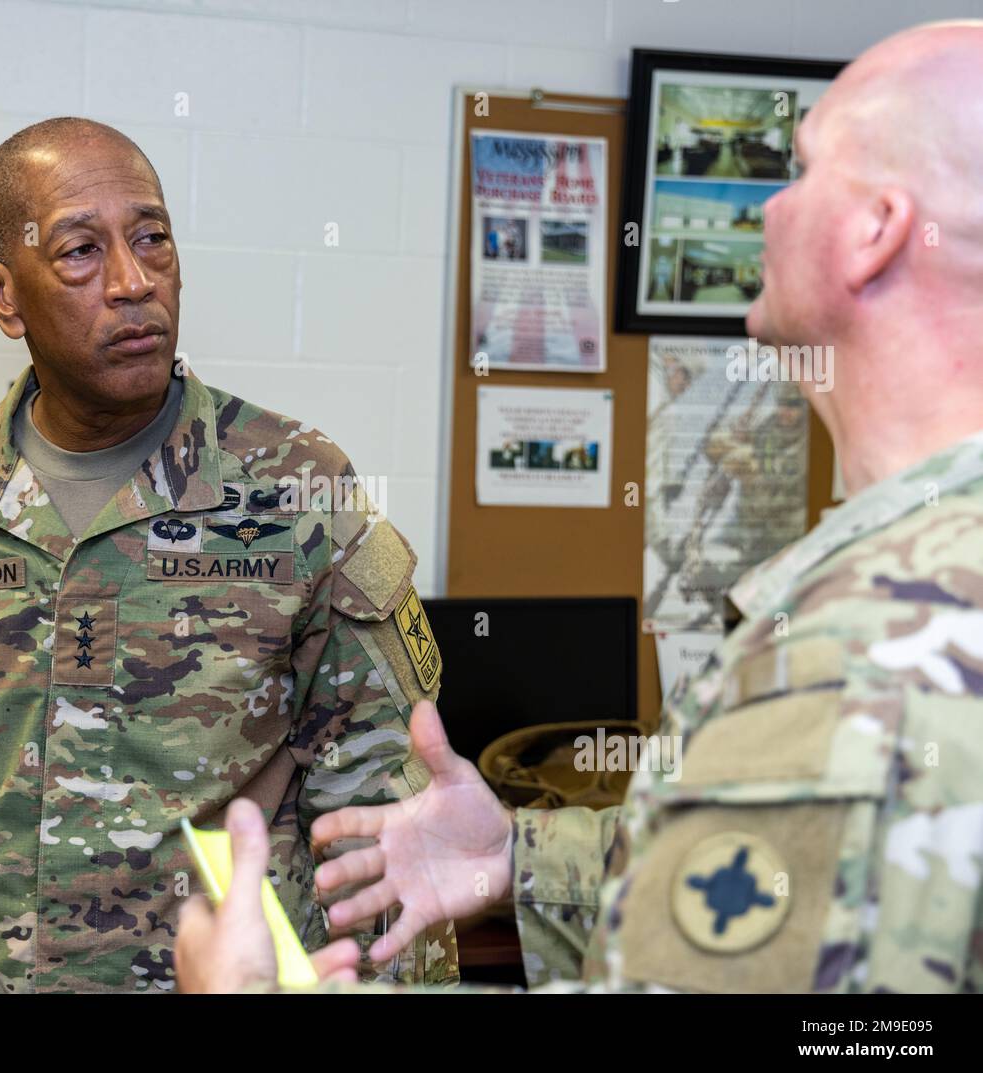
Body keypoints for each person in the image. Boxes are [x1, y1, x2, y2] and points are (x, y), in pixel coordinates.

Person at [174, 20, 983, 995]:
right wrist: (516, 855)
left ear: (875, 231)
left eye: (802, 170)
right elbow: (783, 887)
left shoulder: (866, 644)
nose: (766, 209)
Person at [0, 117, 457, 993]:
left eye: (152, 240)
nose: (135, 284)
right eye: (81, 252)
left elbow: (383, 820)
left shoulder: (300, 493)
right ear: (3, 293)